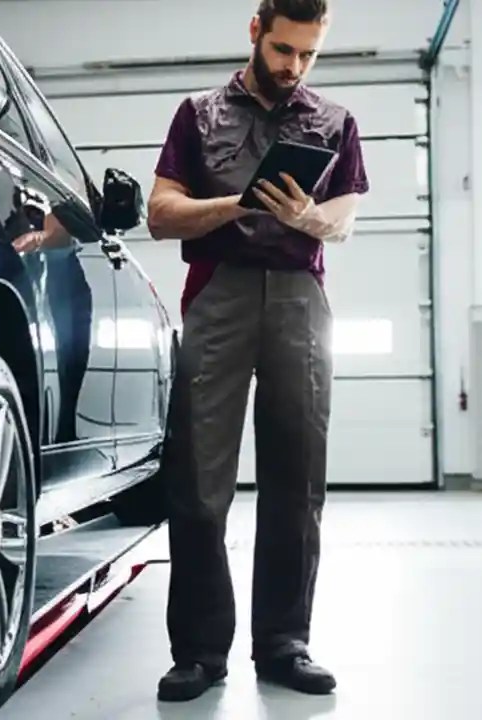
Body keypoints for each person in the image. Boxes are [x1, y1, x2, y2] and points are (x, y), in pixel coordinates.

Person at [145, 0, 369, 703]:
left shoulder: (334, 122)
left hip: (301, 298)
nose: (293, 66)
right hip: (218, 294)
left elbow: (345, 219)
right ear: (255, 32)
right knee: (199, 482)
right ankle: (201, 652)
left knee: (297, 483)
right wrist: (237, 205)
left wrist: (307, 216)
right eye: (282, 50)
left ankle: (283, 645)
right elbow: (160, 213)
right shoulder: (198, 113)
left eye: (307, 54)